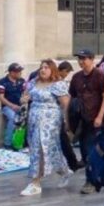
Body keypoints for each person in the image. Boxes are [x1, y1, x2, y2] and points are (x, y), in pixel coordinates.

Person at [20, 60, 72, 196]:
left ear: (52, 70)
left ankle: (35, 182)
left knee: (42, 148)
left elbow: (66, 104)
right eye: (41, 67)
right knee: (45, 149)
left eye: (46, 68)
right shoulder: (33, 82)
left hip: (50, 122)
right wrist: (24, 100)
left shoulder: (57, 85)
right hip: (34, 120)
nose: (43, 70)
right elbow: (25, 96)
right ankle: (64, 170)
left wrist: (67, 122)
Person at [69, 49, 104, 194]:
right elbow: (72, 98)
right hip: (82, 121)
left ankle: (91, 180)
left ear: (92, 59)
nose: (81, 61)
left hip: (96, 120)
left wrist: (100, 116)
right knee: (85, 150)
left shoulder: (99, 75)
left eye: (84, 58)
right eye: (79, 59)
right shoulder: (76, 77)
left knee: (93, 151)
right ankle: (93, 176)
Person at [0, 63, 25, 149]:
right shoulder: (2, 82)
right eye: (18, 72)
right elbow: (1, 98)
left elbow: (25, 93)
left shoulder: (22, 81)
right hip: (7, 107)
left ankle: (19, 143)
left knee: (25, 120)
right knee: (13, 118)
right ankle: (7, 143)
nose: (20, 73)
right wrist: (12, 106)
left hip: (19, 105)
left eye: (20, 71)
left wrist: (24, 100)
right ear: (11, 72)